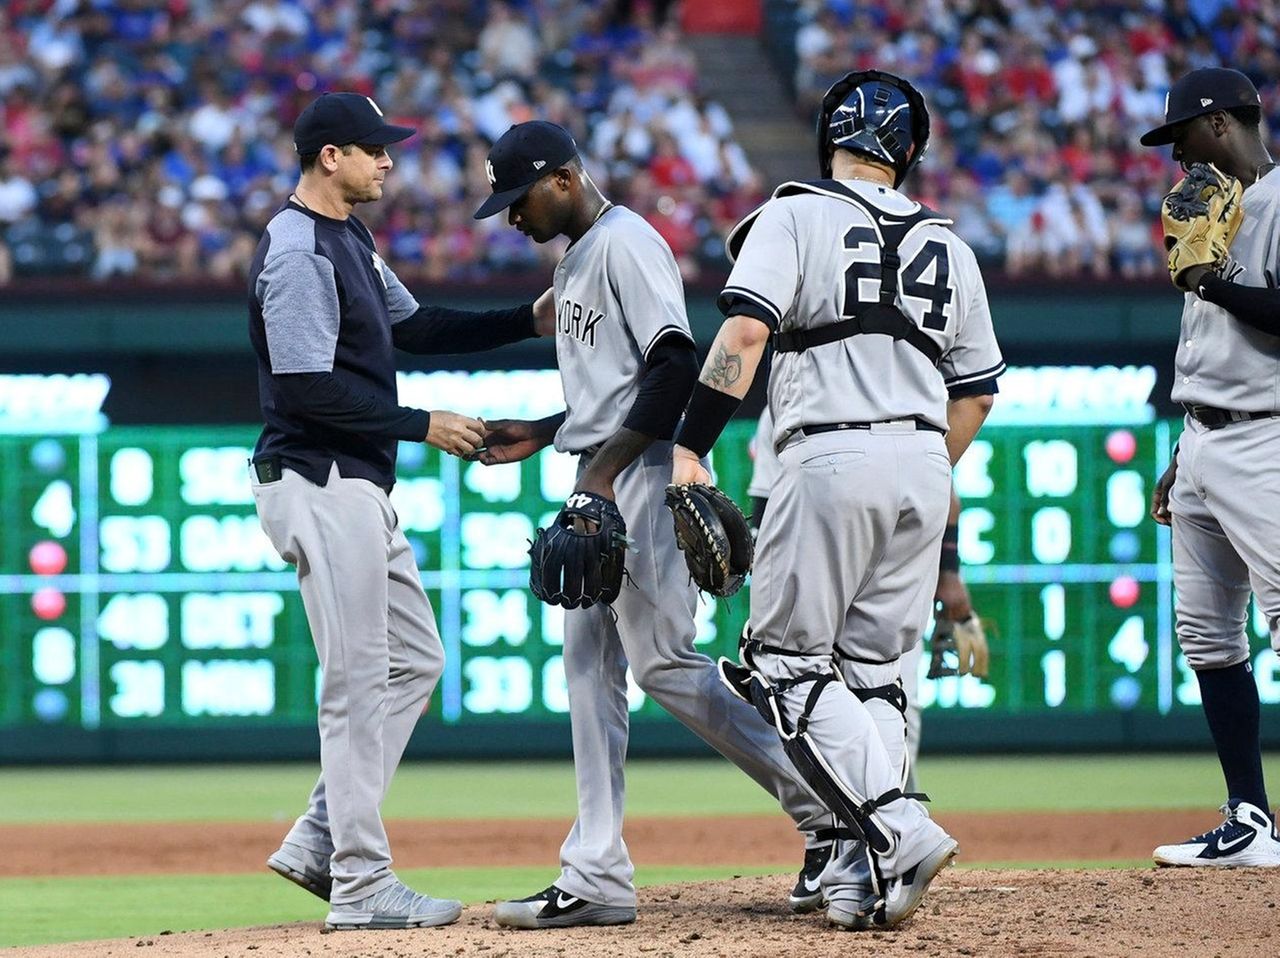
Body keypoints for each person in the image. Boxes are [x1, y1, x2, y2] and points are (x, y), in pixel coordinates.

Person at [470, 120, 833, 929]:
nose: (511, 217)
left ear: (562, 178)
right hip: (600, 473)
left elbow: (674, 363)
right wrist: (542, 431)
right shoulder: (575, 258)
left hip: (632, 478)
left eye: (517, 198)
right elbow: (616, 388)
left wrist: (600, 476)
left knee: (665, 664)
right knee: (587, 671)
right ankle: (596, 870)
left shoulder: (626, 242)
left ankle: (832, 811)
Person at [670, 70, 1003, 931]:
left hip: (829, 451)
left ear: (830, 138)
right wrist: (922, 456)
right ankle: (861, 876)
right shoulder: (953, 246)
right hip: (927, 462)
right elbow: (975, 394)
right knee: (876, 676)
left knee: (780, 664)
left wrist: (691, 446)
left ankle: (899, 824)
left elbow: (744, 334)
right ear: (913, 153)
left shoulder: (794, 214)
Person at [248, 92, 556, 931]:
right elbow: (308, 384)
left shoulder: (348, 236)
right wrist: (423, 424)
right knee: (354, 685)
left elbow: (417, 329)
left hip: (356, 483)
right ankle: (360, 883)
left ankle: (319, 837)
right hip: (318, 479)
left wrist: (526, 321)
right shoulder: (299, 246)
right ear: (328, 158)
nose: (387, 160)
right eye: (372, 149)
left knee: (416, 660)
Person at [1142, 67, 1280, 868]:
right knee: (1206, 636)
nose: (1175, 157)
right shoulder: (1208, 208)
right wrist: (1180, 451)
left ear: (1223, 124)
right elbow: (1209, 352)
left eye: (1183, 136)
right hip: (1202, 439)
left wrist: (1214, 282)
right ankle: (1249, 818)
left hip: (1267, 437)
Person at [747, 411, 984, 799]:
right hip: (823, 577)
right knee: (852, 697)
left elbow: (945, 491)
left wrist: (950, 573)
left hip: (876, 575)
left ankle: (897, 816)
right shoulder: (787, 394)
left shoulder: (902, 382)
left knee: (887, 698)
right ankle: (863, 825)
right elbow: (765, 502)